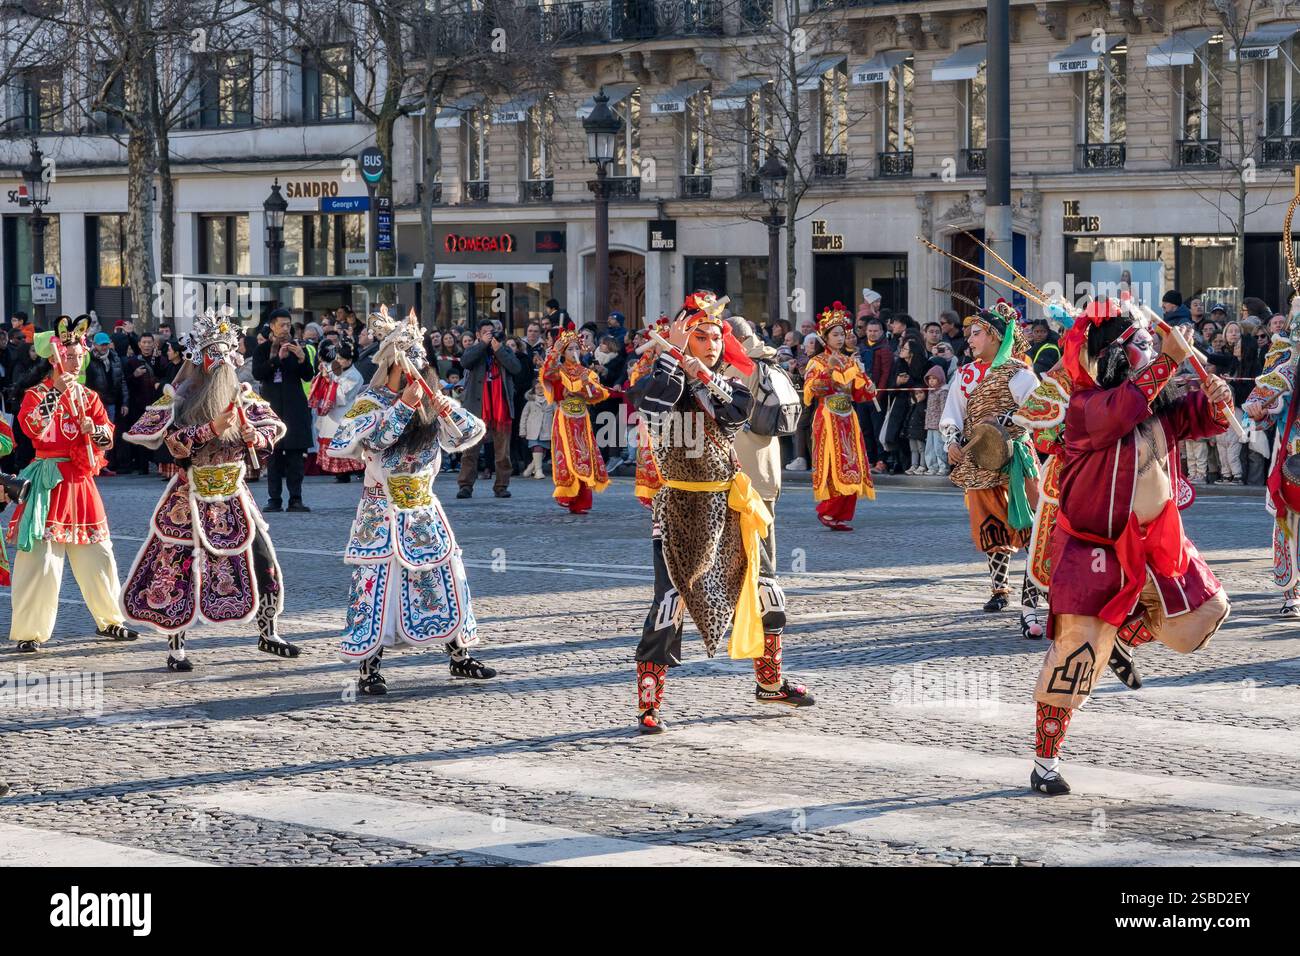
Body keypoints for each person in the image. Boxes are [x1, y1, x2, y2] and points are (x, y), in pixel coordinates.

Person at [1029, 301, 1231, 796]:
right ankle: (1045, 761)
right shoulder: (1084, 409)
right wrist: (1169, 358)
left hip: (1155, 542)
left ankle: (1124, 636)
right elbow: (1123, 409)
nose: (1147, 352)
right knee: (1075, 659)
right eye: (1138, 345)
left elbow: (1202, 420)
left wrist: (1217, 397)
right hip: (1092, 549)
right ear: (1113, 357)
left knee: (1206, 612)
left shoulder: (1154, 409)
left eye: (1148, 344)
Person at [628, 292, 811, 734]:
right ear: (681, 338)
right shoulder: (653, 376)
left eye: (716, 336)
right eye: (700, 336)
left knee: (766, 589)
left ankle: (769, 682)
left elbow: (737, 413)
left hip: (729, 504)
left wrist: (703, 372)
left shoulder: (723, 383)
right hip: (678, 507)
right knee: (670, 603)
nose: (711, 343)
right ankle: (649, 703)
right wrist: (674, 358)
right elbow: (656, 404)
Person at [327, 309, 497, 695]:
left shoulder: (429, 405)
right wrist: (402, 405)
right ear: (391, 367)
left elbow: (471, 432)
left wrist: (442, 405)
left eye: (421, 367)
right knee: (378, 588)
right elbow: (362, 444)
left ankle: (459, 655)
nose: (416, 375)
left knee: (447, 578)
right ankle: (369, 667)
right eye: (408, 369)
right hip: (380, 511)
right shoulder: (369, 403)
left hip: (423, 509)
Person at [119, 310, 298, 670]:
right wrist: (210, 429)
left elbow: (273, 429)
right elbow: (166, 441)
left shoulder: (242, 394)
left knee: (264, 560)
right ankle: (176, 644)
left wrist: (256, 436)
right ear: (201, 359)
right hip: (190, 495)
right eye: (212, 356)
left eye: (224, 356)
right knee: (176, 566)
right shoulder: (182, 396)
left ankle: (268, 630)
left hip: (234, 494)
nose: (219, 364)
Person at [5, 316, 140, 652]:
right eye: (70, 357)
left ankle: (110, 620)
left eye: (80, 357)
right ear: (54, 359)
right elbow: (32, 428)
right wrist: (58, 395)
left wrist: (96, 433)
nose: (77, 362)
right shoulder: (36, 394)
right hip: (48, 478)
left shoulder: (88, 396)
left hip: (80, 481)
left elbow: (107, 433)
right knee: (41, 558)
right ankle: (29, 631)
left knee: (98, 553)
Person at [939, 300, 1043, 635]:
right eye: (969, 334)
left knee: (1032, 521)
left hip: (1016, 457)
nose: (969, 340)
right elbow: (953, 412)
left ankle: (1038, 585)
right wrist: (952, 440)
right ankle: (1000, 588)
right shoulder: (965, 375)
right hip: (980, 457)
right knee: (990, 523)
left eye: (976, 333)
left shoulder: (1019, 373)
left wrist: (1009, 421)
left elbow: (1040, 410)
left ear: (996, 336)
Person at [803, 302, 877, 530]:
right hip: (828, 417)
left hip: (848, 417)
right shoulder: (817, 362)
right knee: (832, 465)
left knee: (852, 465)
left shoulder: (850, 361)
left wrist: (866, 381)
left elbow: (861, 394)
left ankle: (841, 513)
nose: (840, 338)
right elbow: (813, 390)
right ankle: (827, 511)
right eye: (835, 334)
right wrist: (827, 372)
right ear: (824, 336)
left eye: (842, 334)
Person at [539, 329, 609, 514]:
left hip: (582, 419)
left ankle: (581, 501)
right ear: (564, 352)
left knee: (584, 456)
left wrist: (586, 385)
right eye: (570, 349)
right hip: (564, 418)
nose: (574, 352)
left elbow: (598, 394)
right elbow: (547, 375)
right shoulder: (559, 370)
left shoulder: (586, 372)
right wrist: (554, 353)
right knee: (566, 455)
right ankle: (567, 494)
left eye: (576, 348)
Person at [253, 307, 314, 512]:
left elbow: (308, 376)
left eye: (288, 324)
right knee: (274, 456)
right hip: (273, 408)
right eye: (282, 325)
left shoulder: (298, 346)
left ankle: (296, 498)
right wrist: (276, 358)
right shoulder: (262, 349)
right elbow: (258, 374)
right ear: (272, 326)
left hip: (295, 407)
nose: (286, 328)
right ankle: (274, 499)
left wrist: (302, 358)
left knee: (296, 457)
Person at [456, 319, 522, 499]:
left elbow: (516, 368)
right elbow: (465, 362)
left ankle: (501, 486)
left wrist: (498, 349)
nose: (489, 334)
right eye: (485, 332)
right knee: (470, 450)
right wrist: (483, 345)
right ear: (478, 334)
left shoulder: (503, 349)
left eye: (491, 331)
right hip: (477, 407)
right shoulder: (474, 349)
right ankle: (465, 485)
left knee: (502, 452)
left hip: (500, 405)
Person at [311, 341, 366, 482]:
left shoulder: (355, 376)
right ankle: (340, 473)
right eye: (337, 358)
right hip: (332, 413)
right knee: (333, 441)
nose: (338, 361)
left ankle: (348, 472)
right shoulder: (335, 369)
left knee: (344, 442)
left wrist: (329, 381)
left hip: (345, 412)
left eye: (342, 359)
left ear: (350, 360)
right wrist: (323, 375)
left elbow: (341, 396)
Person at [922, 364, 950, 475]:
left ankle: (943, 467)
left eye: (934, 378)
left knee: (939, 446)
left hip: (939, 424)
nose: (931, 381)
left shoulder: (943, 392)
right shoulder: (931, 391)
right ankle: (932, 466)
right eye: (929, 379)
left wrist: (943, 423)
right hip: (930, 424)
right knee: (930, 447)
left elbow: (944, 408)